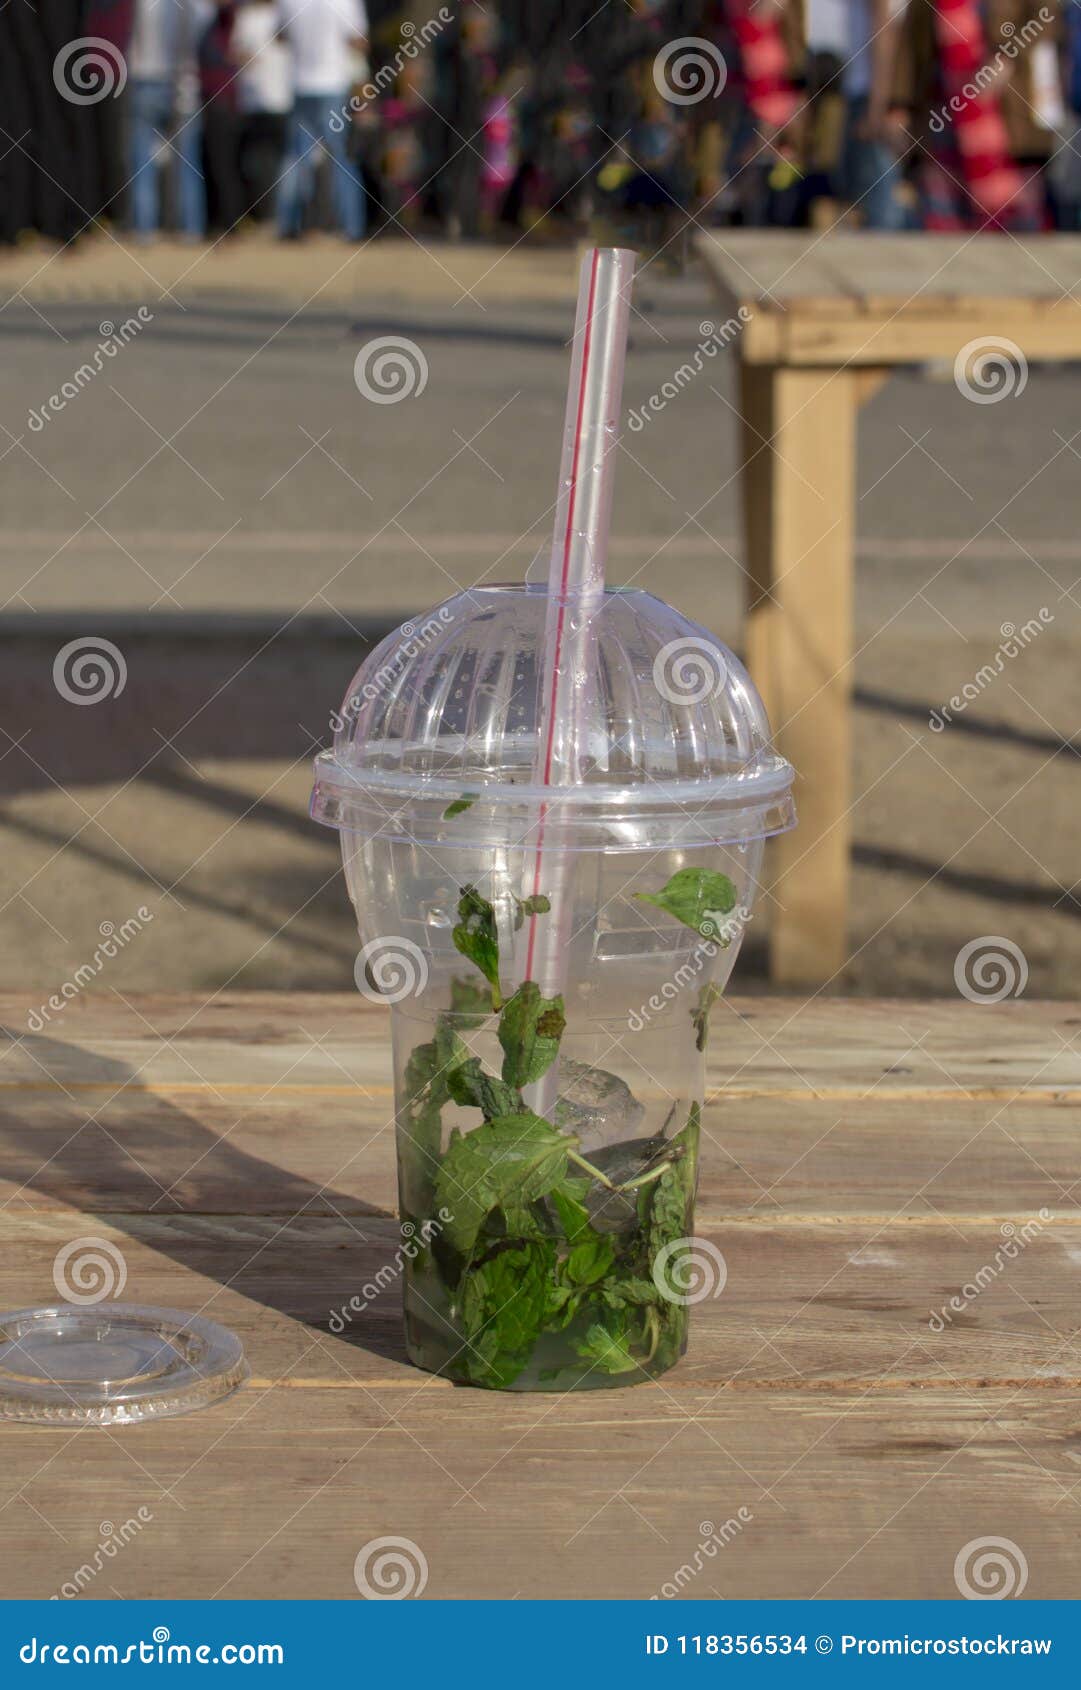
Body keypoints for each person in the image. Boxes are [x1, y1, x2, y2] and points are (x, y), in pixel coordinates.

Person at [274, 0, 369, 241]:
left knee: (296, 158)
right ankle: (352, 227)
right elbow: (358, 41)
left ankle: (289, 224)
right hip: (333, 84)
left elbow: (279, 36)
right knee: (341, 157)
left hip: (301, 83)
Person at [128, 0, 207, 239]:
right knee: (188, 161)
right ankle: (190, 228)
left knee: (143, 161)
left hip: (146, 79)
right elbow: (198, 34)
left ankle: (145, 229)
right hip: (182, 80)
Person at [233, 0, 292, 221]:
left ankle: (273, 216)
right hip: (259, 102)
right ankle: (268, 216)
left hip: (273, 101)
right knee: (266, 164)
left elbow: (237, 54)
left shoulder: (251, 16)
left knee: (268, 164)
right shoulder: (249, 15)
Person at [198, 0, 245, 233]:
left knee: (223, 165)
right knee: (213, 164)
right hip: (211, 100)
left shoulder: (227, 17)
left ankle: (228, 223)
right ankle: (219, 222)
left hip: (223, 101)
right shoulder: (210, 22)